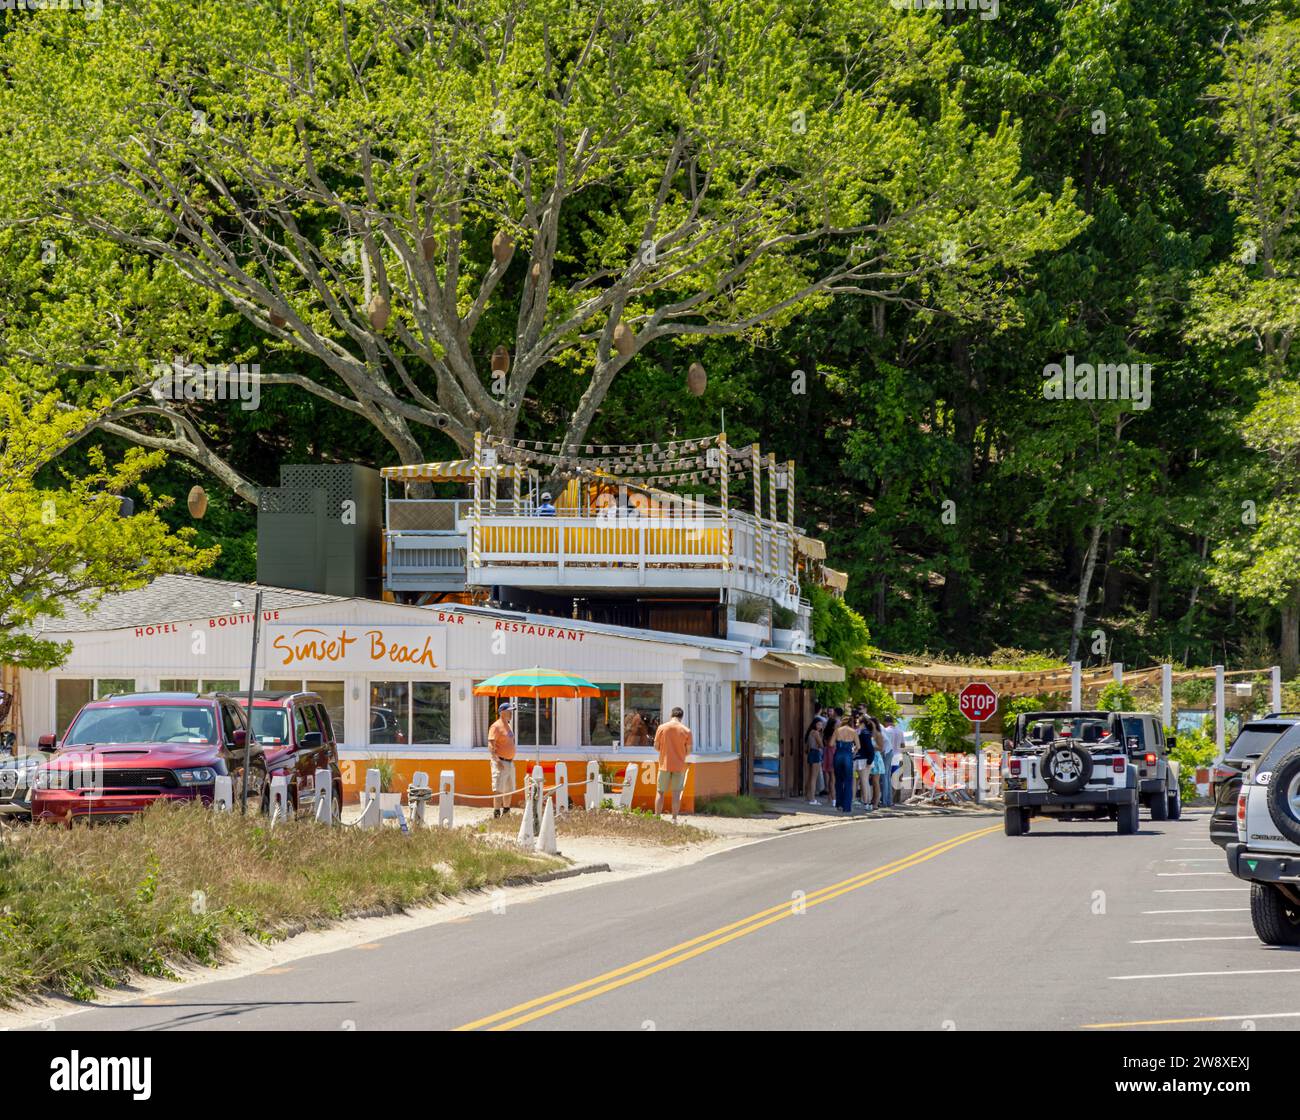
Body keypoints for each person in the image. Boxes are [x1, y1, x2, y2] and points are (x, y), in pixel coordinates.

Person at [654, 707, 692, 822]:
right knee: (676, 793)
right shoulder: (686, 731)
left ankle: (657, 817)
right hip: (679, 765)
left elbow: (656, 746)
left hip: (664, 764)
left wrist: (665, 750)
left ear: (671, 715)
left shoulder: (662, 728)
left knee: (660, 792)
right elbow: (689, 750)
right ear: (681, 717)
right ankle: (674, 818)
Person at [487, 701, 517, 818]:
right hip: (500, 762)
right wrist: (497, 760)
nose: (511, 713)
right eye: (509, 711)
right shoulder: (496, 726)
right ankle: (496, 813)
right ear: (502, 712)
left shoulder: (508, 725)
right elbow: (490, 744)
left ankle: (506, 812)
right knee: (498, 788)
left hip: (509, 762)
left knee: (509, 788)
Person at [831, 713, 858, 813]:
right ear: (851, 722)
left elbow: (830, 744)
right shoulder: (853, 731)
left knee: (838, 781)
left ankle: (839, 804)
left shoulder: (837, 731)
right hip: (848, 756)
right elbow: (858, 746)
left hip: (838, 755)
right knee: (848, 781)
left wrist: (838, 744)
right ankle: (847, 807)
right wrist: (853, 753)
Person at [855, 714, 876, 809]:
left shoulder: (863, 733)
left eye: (858, 722)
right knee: (866, 781)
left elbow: (869, 748)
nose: (856, 723)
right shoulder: (866, 733)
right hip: (866, 759)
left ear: (862, 723)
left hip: (863, 759)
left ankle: (866, 802)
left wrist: (870, 760)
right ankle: (868, 802)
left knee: (863, 780)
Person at [804, 715, 826, 805]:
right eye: (819, 724)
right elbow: (821, 745)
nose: (820, 726)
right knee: (814, 778)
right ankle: (812, 799)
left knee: (810, 777)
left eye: (821, 725)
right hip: (816, 753)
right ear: (815, 724)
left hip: (810, 753)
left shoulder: (810, 732)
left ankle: (808, 796)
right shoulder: (816, 733)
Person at [880, 715, 901, 808]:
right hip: (896, 757)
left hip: (887, 753)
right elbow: (903, 745)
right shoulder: (900, 731)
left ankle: (885, 799)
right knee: (892, 779)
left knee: (884, 777)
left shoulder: (886, 730)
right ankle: (890, 800)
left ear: (886, 722)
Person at [868, 717, 887, 809]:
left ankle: (876, 802)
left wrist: (871, 748)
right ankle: (872, 800)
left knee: (876, 782)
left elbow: (881, 748)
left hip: (876, 758)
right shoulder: (869, 733)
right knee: (871, 781)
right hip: (870, 757)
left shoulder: (878, 734)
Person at [821, 709, 838, 801]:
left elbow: (826, 743)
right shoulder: (833, 734)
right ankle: (833, 797)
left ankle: (830, 797)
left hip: (827, 753)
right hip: (832, 753)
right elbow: (832, 744)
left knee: (830, 776)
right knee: (833, 777)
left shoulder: (826, 733)